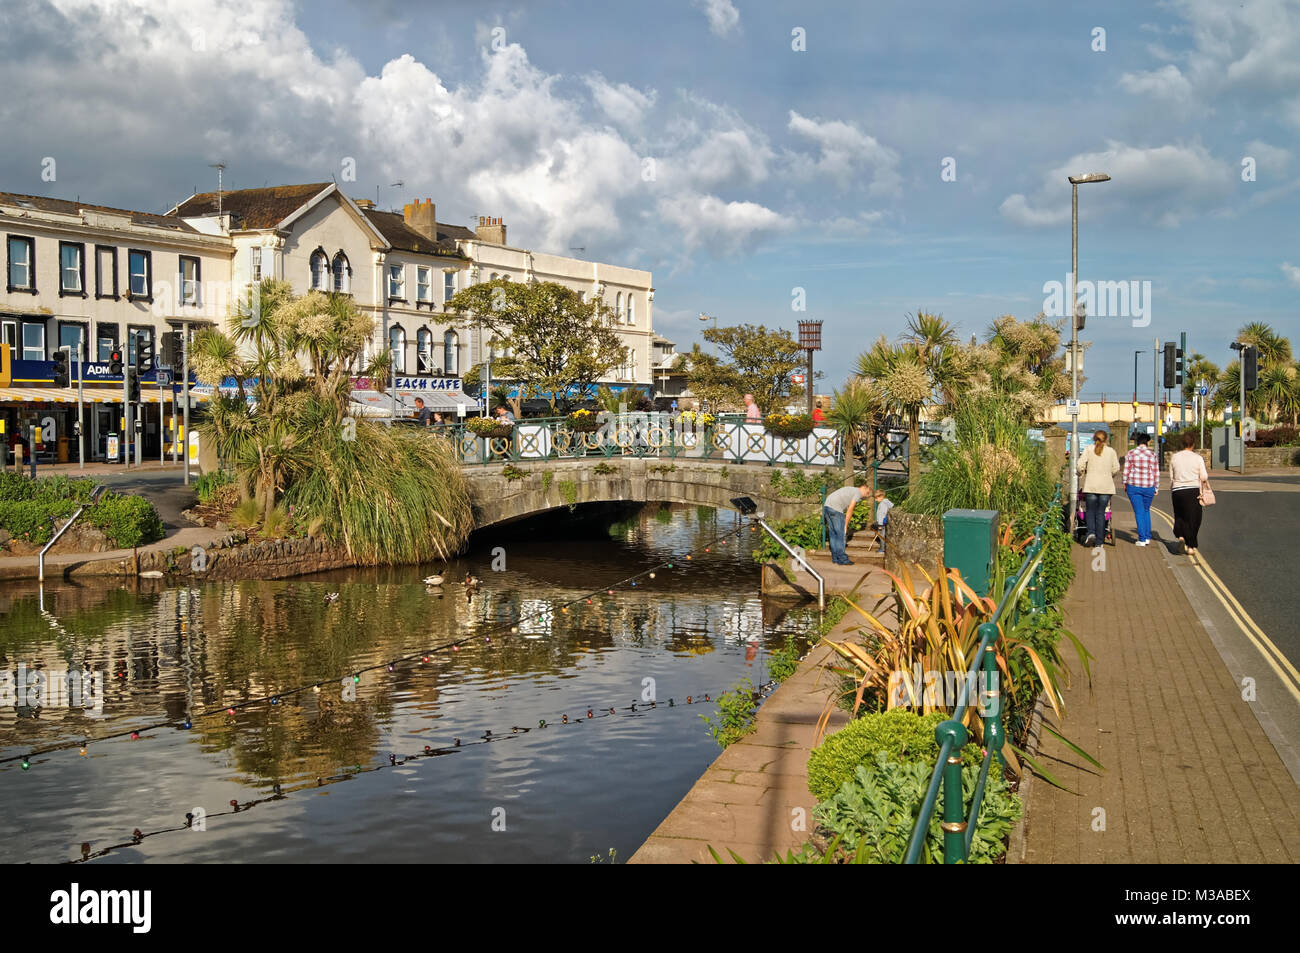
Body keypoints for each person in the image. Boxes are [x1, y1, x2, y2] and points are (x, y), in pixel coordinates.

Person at [1169, 431, 1211, 555]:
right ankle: (1190, 546)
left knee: (1180, 515)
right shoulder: (1197, 458)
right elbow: (1204, 476)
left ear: (1182, 443)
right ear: (1193, 444)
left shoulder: (1174, 457)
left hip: (1177, 490)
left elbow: (1172, 477)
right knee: (1194, 518)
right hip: (1192, 490)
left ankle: (1181, 536)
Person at [1077, 429, 1119, 547]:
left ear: (1094, 438)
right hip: (1106, 487)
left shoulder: (1089, 449)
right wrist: (1110, 475)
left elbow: (1080, 464)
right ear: (1106, 439)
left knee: (1090, 511)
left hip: (1091, 486)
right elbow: (1116, 468)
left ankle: (1091, 533)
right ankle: (1099, 542)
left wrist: (1081, 472)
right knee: (1101, 513)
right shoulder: (1111, 451)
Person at [1123, 430, 1159, 546]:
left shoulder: (1131, 453)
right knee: (1146, 510)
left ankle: (1142, 539)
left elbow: (1126, 470)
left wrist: (1124, 482)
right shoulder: (1152, 454)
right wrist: (1156, 487)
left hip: (1134, 485)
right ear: (1147, 442)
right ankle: (1147, 537)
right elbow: (1155, 472)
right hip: (1149, 486)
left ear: (1137, 442)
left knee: (1139, 512)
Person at [823, 483, 870, 566]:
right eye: (867, 492)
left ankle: (835, 559)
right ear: (864, 488)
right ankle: (843, 559)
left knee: (833, 534)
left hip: (827, 506)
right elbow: (850, 509)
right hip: (836, 508)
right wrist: (845, 525)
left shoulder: (851, 489)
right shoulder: (858, 492)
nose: (867, 495)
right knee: (840, 535)